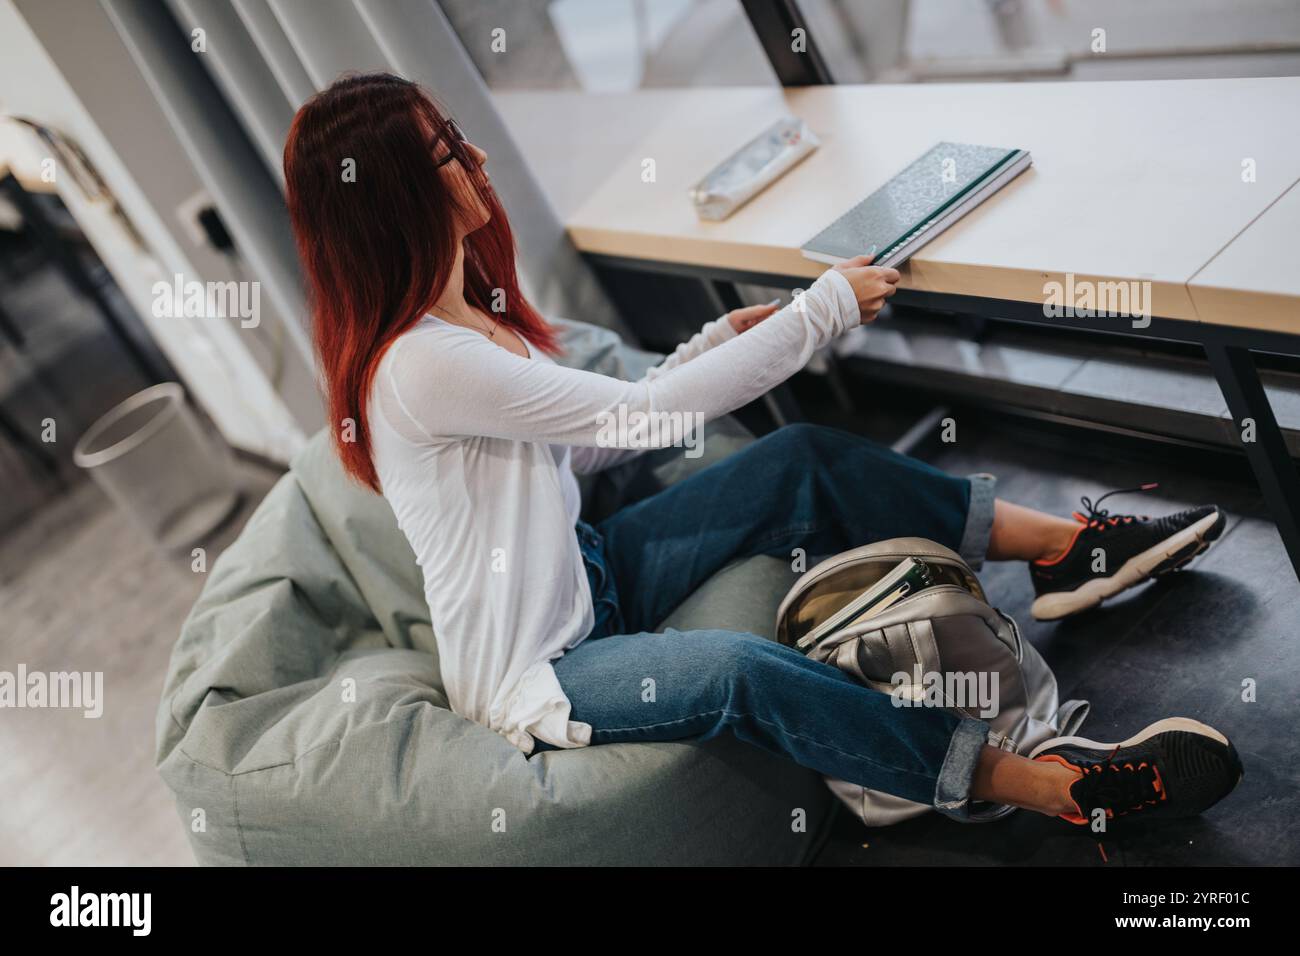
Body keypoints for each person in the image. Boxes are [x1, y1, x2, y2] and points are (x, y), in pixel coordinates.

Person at [283, 72, 1241, 829]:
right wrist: (819, 312)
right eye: (449, 149)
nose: (478, 154)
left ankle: (1064, 551)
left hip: (590, 573)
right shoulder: (418, 365)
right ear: (397, 198)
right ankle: (1052, 788)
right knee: (741, 671)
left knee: (803, 458)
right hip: (535, 674)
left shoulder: (467, 321)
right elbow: (642, 421)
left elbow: (571, 455)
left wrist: (712, 346)